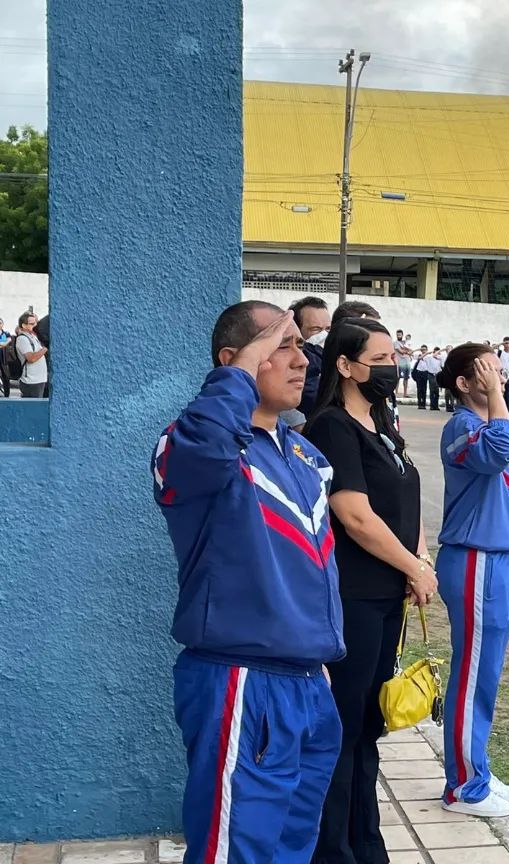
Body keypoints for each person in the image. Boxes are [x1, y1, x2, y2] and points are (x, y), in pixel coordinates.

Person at [153, 302, 343, 864]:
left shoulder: (307, 457)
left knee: (291, 846)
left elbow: (309, 572)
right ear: (231, 364)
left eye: (301, 345)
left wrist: (318, 657)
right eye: (281, 345)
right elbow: (203, 446)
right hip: (243, 681)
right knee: (238, 852)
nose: (301, 360)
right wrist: (238, 375)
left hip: (307, 682)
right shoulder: (195, 447)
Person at [304, 319, 434, 864]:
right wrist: (414, 566)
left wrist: (418, 559)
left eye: (392, 355)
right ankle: (333, 848)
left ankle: (365, 839)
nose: (390, 366)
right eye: (379, 358)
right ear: (345, 365)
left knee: (368, 726)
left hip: (388, 595)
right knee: (344, 725)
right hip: (354, 596)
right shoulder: (333, 427)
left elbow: (404, 499)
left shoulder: (382, 421)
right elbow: (354, 516)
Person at [434, 344, 509, 818]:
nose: (499, 375)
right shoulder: (463, 425)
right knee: (474, 675)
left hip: (501, 559)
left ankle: (477, 767)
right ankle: (463, 786)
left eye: (499, 368)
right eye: (487, 370)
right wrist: (496, 395)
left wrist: (497, 396)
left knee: (487, 673)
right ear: (464, 382)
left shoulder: (494, 422)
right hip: (475, 560)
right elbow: (497, 452)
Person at [14, 311, 48, 398]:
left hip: (39, 379)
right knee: (33, 408)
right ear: (24, 325)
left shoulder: (33, 337)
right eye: (32, 324)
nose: (35, 325)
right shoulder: (22, 339)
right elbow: (31, 358)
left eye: (36, 323)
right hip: (31, 381)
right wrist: (45, 348)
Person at [393, 329, 413, 398]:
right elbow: (401, 351)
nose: (399, 336)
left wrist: (408, 351)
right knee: (397, 377)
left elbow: (411, 349)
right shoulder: (395, 343)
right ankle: (396, 392)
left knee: (406, 378)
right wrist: (408, 352)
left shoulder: (406, 342)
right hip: (399, 362)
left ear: (402, 335)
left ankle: (405, 393)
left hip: (406, 362)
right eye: (397, 335)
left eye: (400, 335)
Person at [0, 319, 11, 397]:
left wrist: (3, 344)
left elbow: (7, 341)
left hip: (3, 358)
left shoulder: (6, 333)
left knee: (6, 376)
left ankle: (7, 394)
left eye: (0, 323)